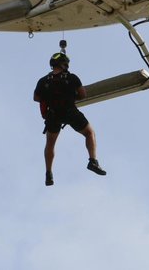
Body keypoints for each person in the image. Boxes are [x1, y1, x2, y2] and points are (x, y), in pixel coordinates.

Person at [33, 49, 107, 186]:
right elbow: (83, 95)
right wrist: (71, 96)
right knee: (89, 133)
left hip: (53, 115)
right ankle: (93, 161)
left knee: (50, 144)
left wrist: (50, 97)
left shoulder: (43, 81)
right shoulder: (72, 77)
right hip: (70, 112)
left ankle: (48, 172)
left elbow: (36, 98)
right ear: (62, 64)